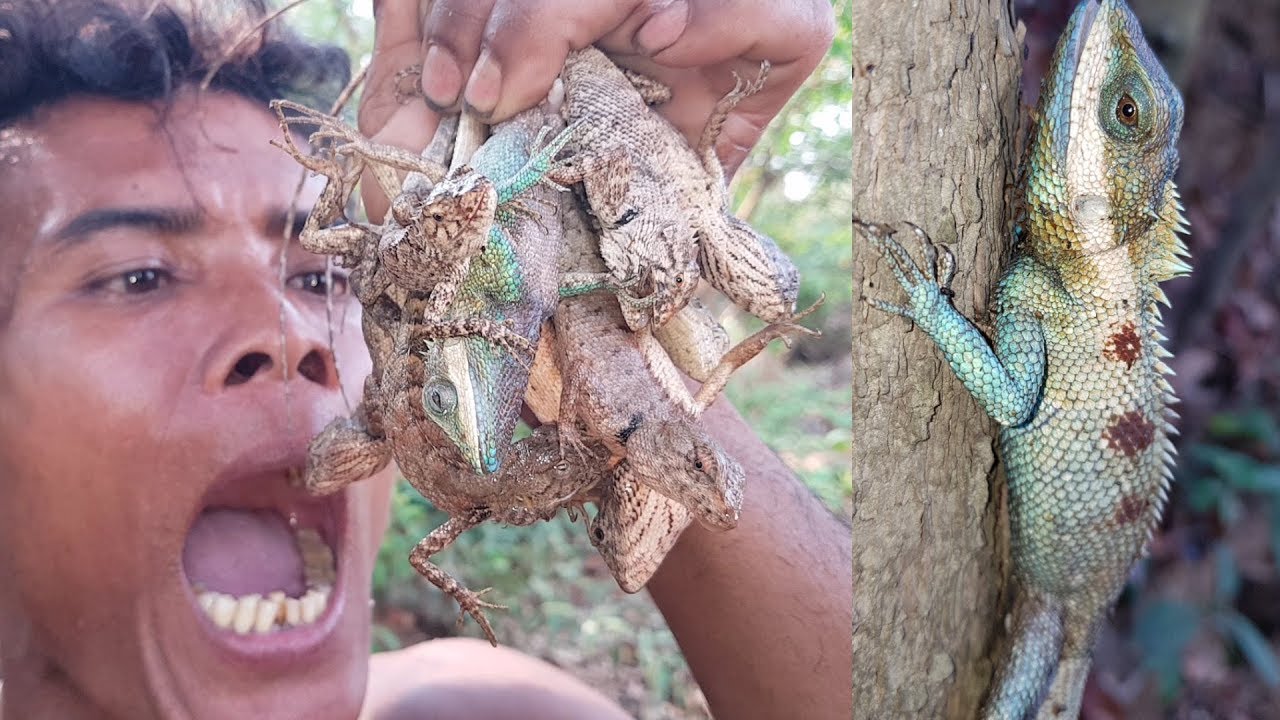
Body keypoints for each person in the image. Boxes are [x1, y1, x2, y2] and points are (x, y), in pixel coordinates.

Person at [0, 1, 850, 718]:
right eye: (137, 277)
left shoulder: (478, 704)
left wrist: (595, 255)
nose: (290, 333)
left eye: (324, 275)